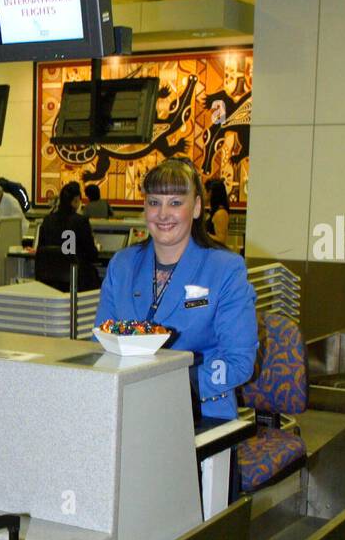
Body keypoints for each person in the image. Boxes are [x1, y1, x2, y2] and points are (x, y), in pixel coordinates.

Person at [97, 157, 257, 422]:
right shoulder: (122, 265)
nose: (163, 214)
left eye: (175, 203)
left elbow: (239, 362)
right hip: (128, 409)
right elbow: (102, 343)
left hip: (201, 412)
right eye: (154, 203)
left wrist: (170, 388)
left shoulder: (226, 269)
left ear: (195, 208)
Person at [35, 182, 100, 292]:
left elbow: (41, 248)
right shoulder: (81, 221)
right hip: (77, 280)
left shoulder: (47, 220)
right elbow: (92, 255)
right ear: (75, 201)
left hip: (51, 280)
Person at [204, 178, 230, 245]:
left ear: (210, 192)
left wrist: (203, 235)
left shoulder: (220, 213)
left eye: (205, 191)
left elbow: (221, 240)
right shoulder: (213, 210)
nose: (203, 194)